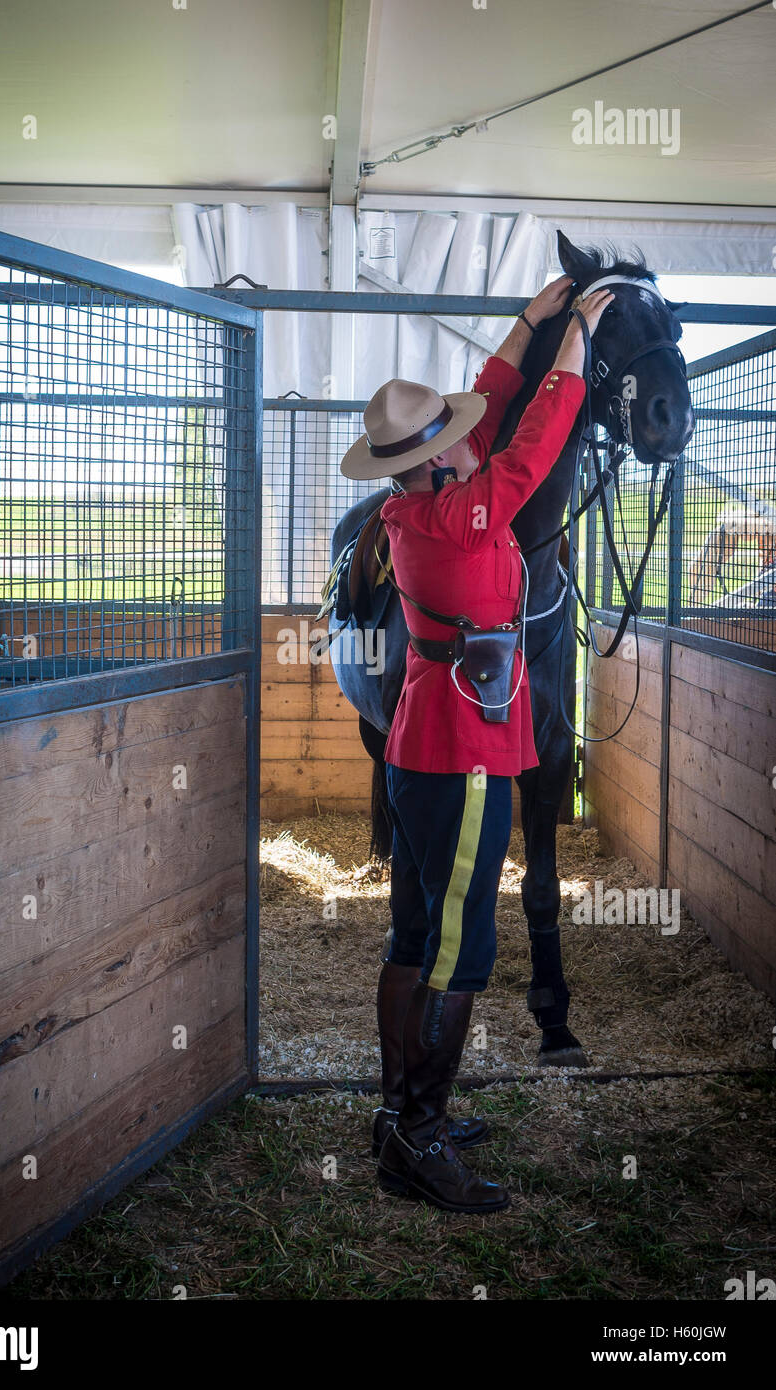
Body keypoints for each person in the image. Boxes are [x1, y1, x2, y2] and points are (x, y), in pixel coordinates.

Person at [339, 278, 614, 1214]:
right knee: (464, 947)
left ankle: (398, 1115)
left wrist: (530, 326)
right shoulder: (464, 512)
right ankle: (417, 1139)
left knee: (414, 930)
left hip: (426, 747)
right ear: (433, 458)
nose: (470, 429)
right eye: (453, 432)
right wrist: (575, 339)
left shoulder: (420, 504)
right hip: (461, 755)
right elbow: (532, 440)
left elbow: (493, 406)